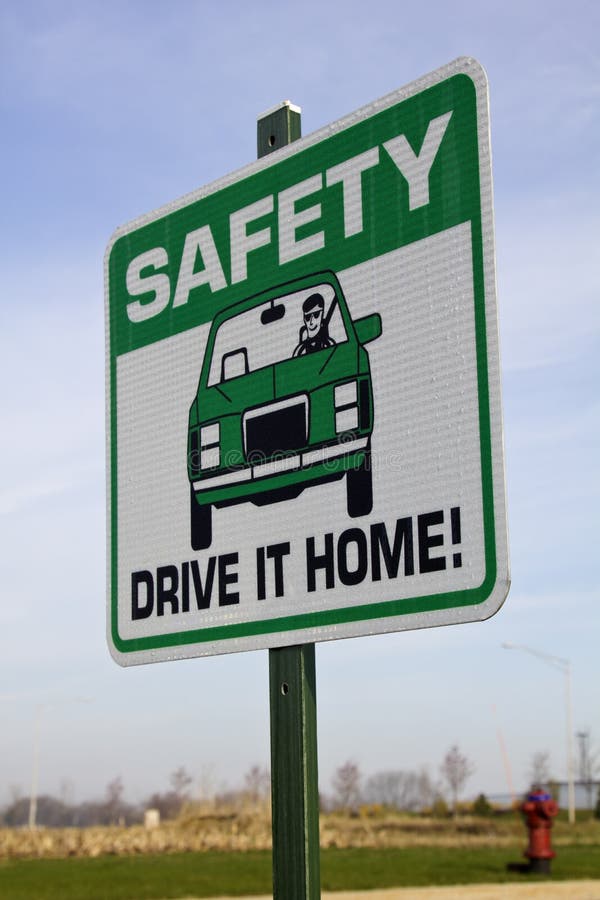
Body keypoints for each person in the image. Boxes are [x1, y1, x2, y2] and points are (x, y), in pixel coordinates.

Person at [292, 293, 336, 357]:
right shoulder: (299, 351)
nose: (311, 322)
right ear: (304, 319)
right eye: (308, 317)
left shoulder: (330, 345)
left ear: (322, 314)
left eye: (316, 315)